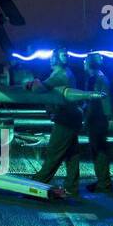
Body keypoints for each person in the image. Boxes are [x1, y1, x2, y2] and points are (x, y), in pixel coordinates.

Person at [27, 48, 83, 197]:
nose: (51, 59)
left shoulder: (60, 75)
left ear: (55, 60)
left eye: (53, 57)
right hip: (73, 117)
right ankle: (72, 187)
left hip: (66, 119)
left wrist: (34, 81)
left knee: (54, 152)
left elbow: (39, 89)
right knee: (71, 154)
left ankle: (36, 185)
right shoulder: (67, 72)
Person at [83, 53, 113, 192]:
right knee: (97, 151)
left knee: (99, 151)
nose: (83, 63)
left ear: (89, 64)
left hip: (98, 120)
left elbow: (101, 100)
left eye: (85, 61)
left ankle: (104, 183)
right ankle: (102, 181)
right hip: (97, 119)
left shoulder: (99, 79)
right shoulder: (96, 78)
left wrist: (106, 118)